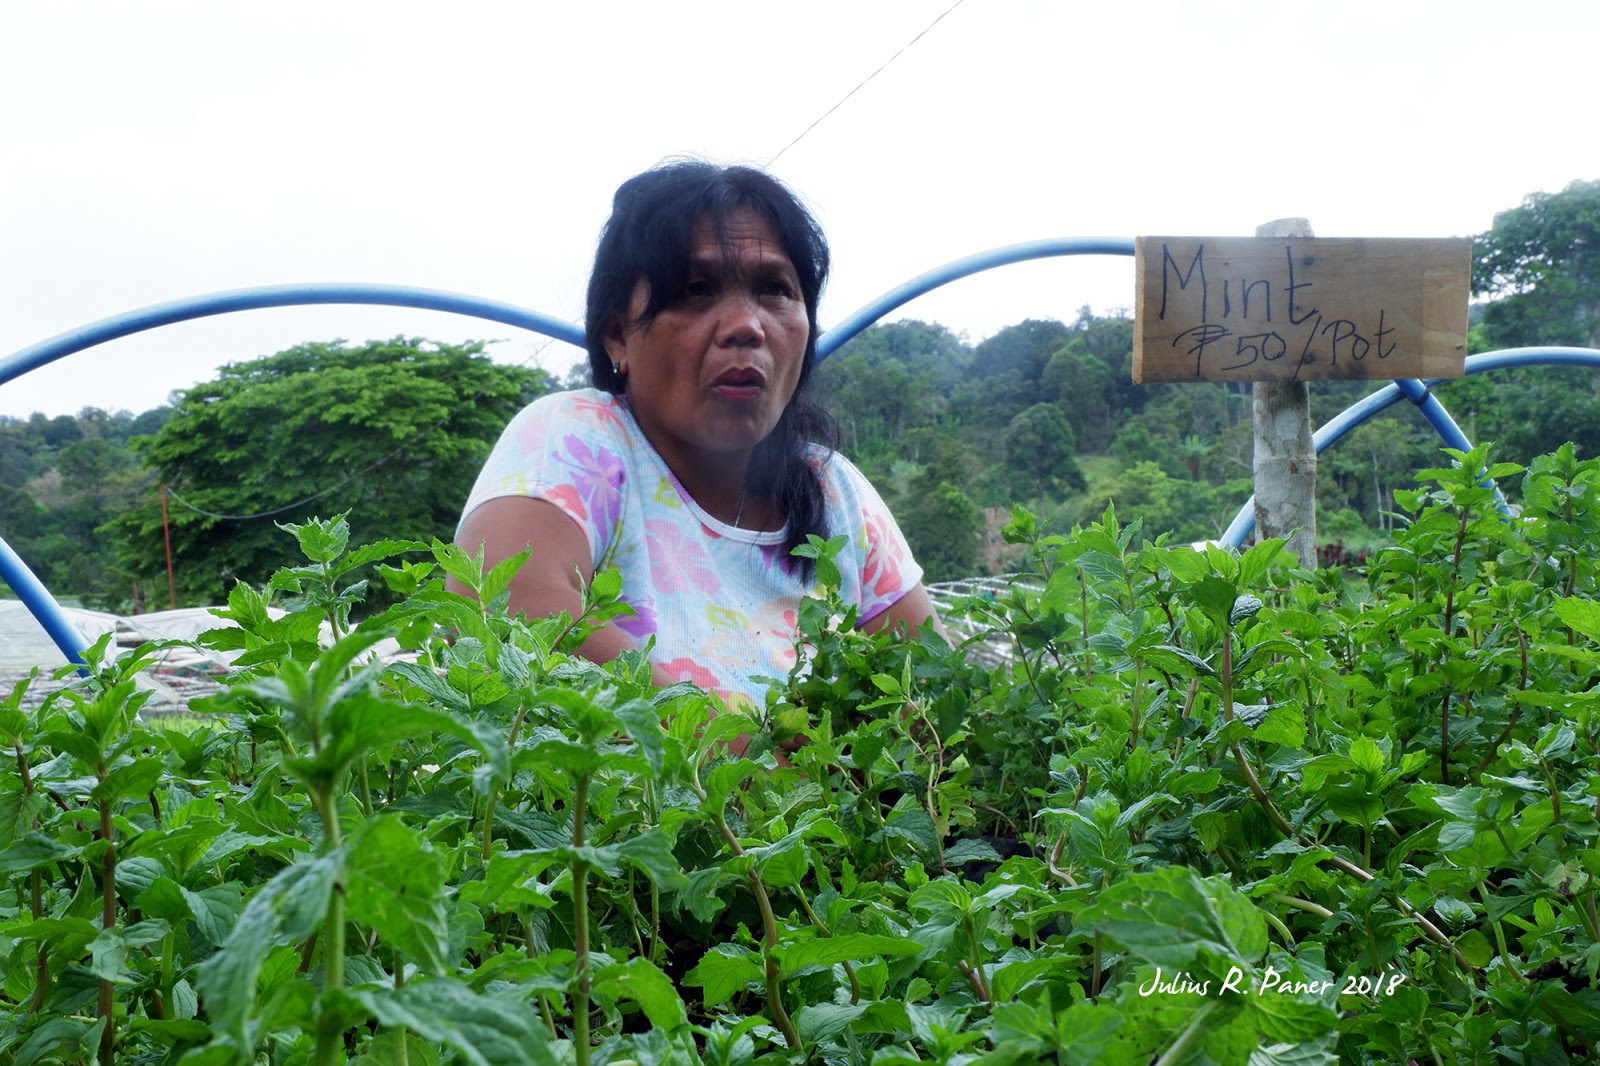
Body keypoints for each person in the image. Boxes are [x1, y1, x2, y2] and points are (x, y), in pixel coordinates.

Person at [453, 160, 938, 707]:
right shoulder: (580, 439)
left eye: (775, 289)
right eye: (695, 290)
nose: (747, 326)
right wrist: (777, 779)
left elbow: (935, 688)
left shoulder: (832, 491)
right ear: (617, 334)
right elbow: (501, 608)